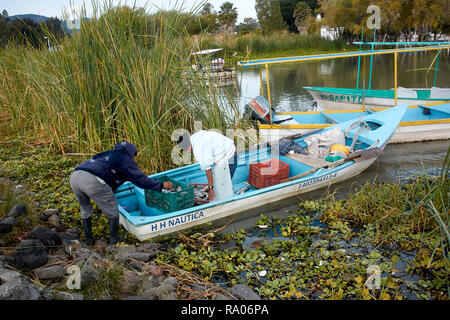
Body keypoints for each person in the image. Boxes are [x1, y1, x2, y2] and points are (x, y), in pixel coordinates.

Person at [70, 141, 173, 245]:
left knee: (85, 208)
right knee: (112, 209)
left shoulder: (111, 154)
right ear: (131, 154)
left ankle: (89, 240)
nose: (134, 159)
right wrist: (160, 185)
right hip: (92, 181)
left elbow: (105, 170)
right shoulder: (125, 159)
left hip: (75, 176)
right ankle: (114, 239)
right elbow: (141, 180)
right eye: (134, 157)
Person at [177, 130, 237, 201]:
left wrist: (211, 189)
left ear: (188, 147)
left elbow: (208, 170)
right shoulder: (194, 138)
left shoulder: (198, 149)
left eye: (184, 149)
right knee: (218, 185)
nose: (185, 152)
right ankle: (226, 190)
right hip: (227, 151)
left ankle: (228, 201)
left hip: (229, 157)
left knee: (221, 190)